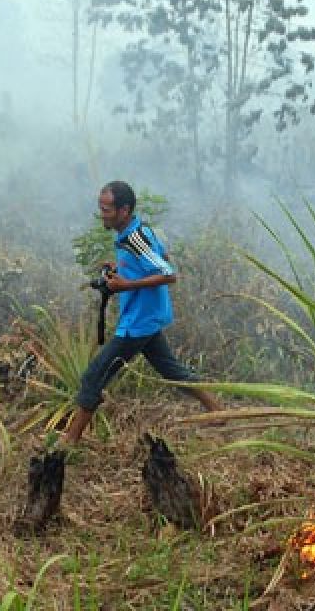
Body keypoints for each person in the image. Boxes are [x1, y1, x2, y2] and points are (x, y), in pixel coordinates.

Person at [60, 180, 222, 448]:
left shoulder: (136, 238)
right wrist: (120, 266)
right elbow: (160, 256)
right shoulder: (131, 233)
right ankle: (216, 410)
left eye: (107, 209)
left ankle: (69, 440)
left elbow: (170, 273)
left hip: (137, 323)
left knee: (93, 376)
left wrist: (127, 284)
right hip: (146, 318)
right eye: (101, 208)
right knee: (170, 370)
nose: (103, 214)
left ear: (124, 210)